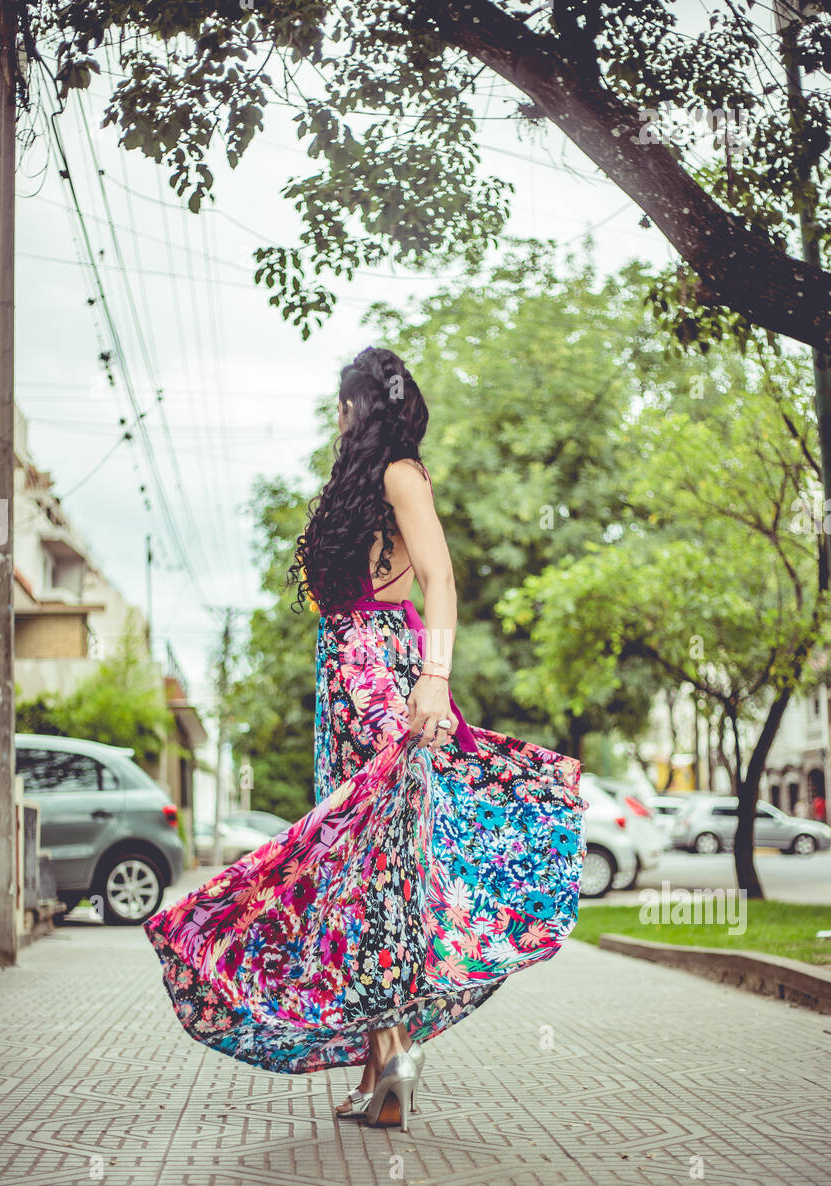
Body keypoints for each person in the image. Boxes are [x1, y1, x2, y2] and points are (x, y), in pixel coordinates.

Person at [142, 346, 587, 1133]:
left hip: (383, 671)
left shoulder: (402, 474)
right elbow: (326, 597)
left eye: (347, 405)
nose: (340, 418)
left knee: (375, 866)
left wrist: (436, 677)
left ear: (369, 406)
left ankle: (391, 1070)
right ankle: (387, 1071)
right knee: (364, 876)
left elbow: (442, 579)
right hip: (346, 681)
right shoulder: (357, 488)